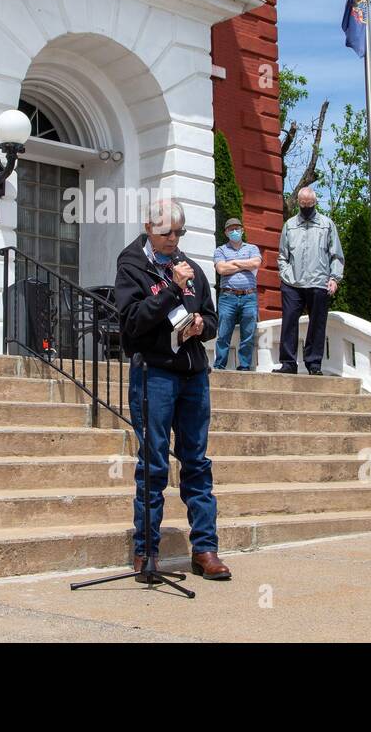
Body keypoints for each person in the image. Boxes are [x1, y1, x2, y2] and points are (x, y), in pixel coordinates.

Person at [114, 198, 230, 581]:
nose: (173, 240)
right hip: (155, 373)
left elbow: (213, 321)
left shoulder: (192, 268)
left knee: (196, 462)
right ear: (149, 227)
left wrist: (201, 324)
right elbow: (132, 323)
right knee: (154, 464)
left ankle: (206, 550)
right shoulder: (132, 265)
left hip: (193, 374)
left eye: (179, 233)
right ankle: (146, 552)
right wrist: (170, 290)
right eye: (166, 233)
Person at [273, 186, 343, 375]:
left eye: (309, 204)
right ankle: (288, 363)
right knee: (289, 322)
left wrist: (334, 278)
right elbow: (282, 255)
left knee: (317, 324)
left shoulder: (327, 225)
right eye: (303, 204)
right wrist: (285, 275)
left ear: (315, 203)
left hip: (319, 282)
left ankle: (314, 364)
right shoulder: (289, 225)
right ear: (298, 202)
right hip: (292, 283)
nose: (306, 207)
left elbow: (336, 255)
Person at [213, 216, 261, 371]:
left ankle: (245, 366)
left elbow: (256, 263)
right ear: (226, 232)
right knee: (223, 334)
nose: (235, 231)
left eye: (237, 228)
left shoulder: (252, 248)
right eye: (231, 229)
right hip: (228, 297)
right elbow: (221, 269)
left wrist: (233, 263)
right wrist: (245, 265)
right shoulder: (220, 250)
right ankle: (220, 365)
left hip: (249, 296)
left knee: (248, 335)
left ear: (242, 230)